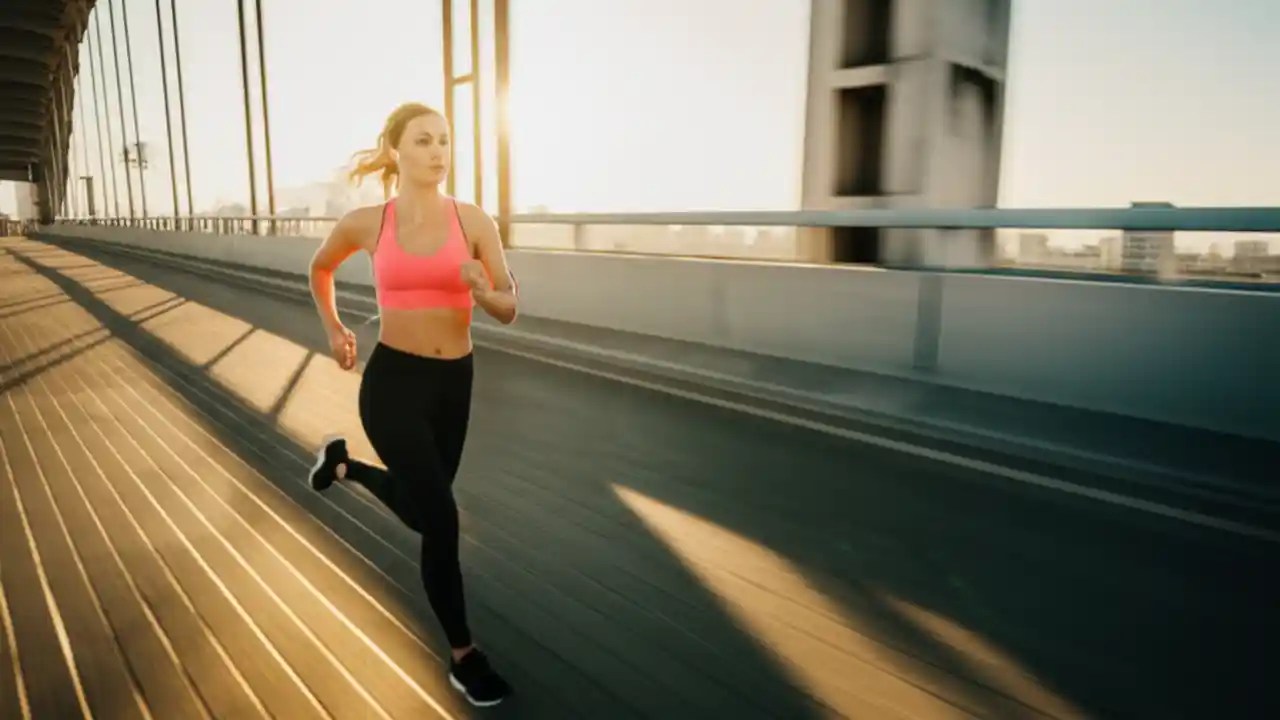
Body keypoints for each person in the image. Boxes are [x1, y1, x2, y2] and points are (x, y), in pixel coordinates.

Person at [305, 101, 518, 707]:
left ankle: (342, 466)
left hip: (456, 384)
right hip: (393, 385)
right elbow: (320, 269)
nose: (438, 152)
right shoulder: (367, 223)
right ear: (396, 150)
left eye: (445, 141)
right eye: (424, 141)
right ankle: (464, 657)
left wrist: (484, 289)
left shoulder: (474, 221)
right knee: (443, 519)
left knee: (425, 513)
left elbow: (508, 306)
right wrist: (334, 327)